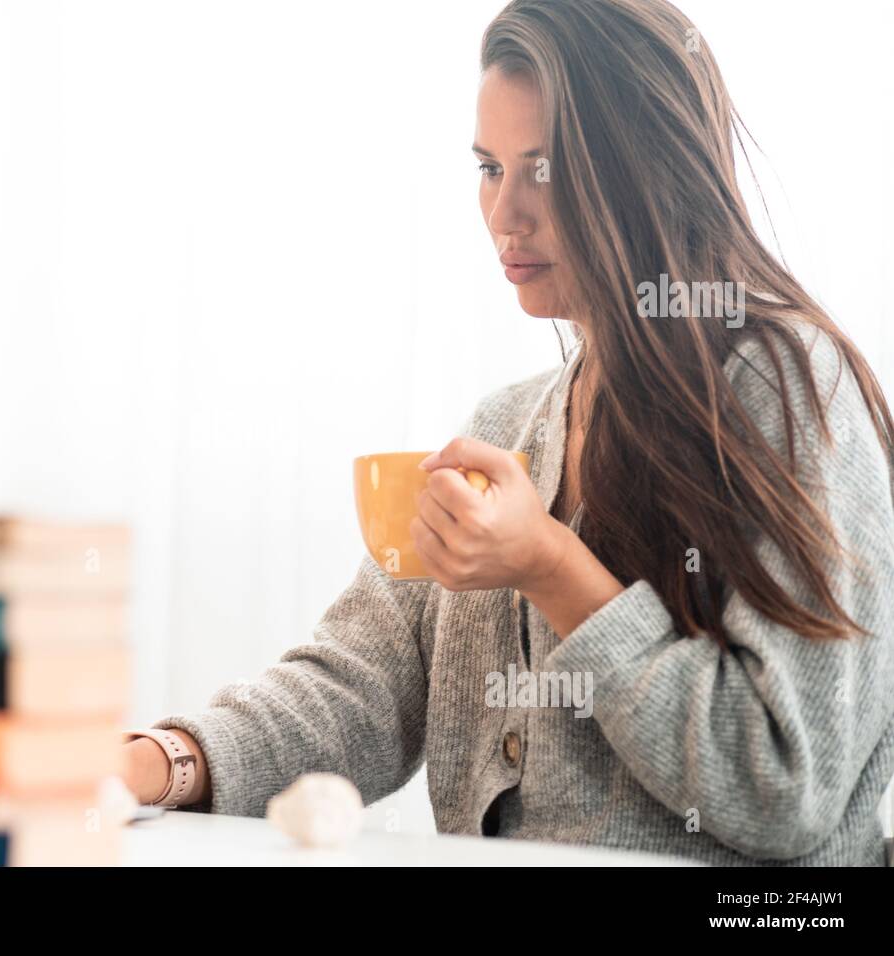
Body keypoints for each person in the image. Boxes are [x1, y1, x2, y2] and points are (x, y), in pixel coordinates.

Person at [120, 0, 894, 865]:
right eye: (490, 167)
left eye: (546, 170)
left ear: (650, 171)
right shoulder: (506, 426)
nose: (505, 214)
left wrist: (554, 570)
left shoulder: (791, 393)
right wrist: (156, 765)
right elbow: (362, 687)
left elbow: (788, 786)